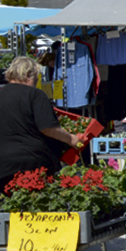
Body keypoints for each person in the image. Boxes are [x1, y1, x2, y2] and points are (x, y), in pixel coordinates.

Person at [0, 56, 81, 191]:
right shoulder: (34, 95)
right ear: (28, 76)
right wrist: (71, 138)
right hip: (32, 163)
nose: (36, 82)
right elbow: (48, 128)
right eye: (36, 79)